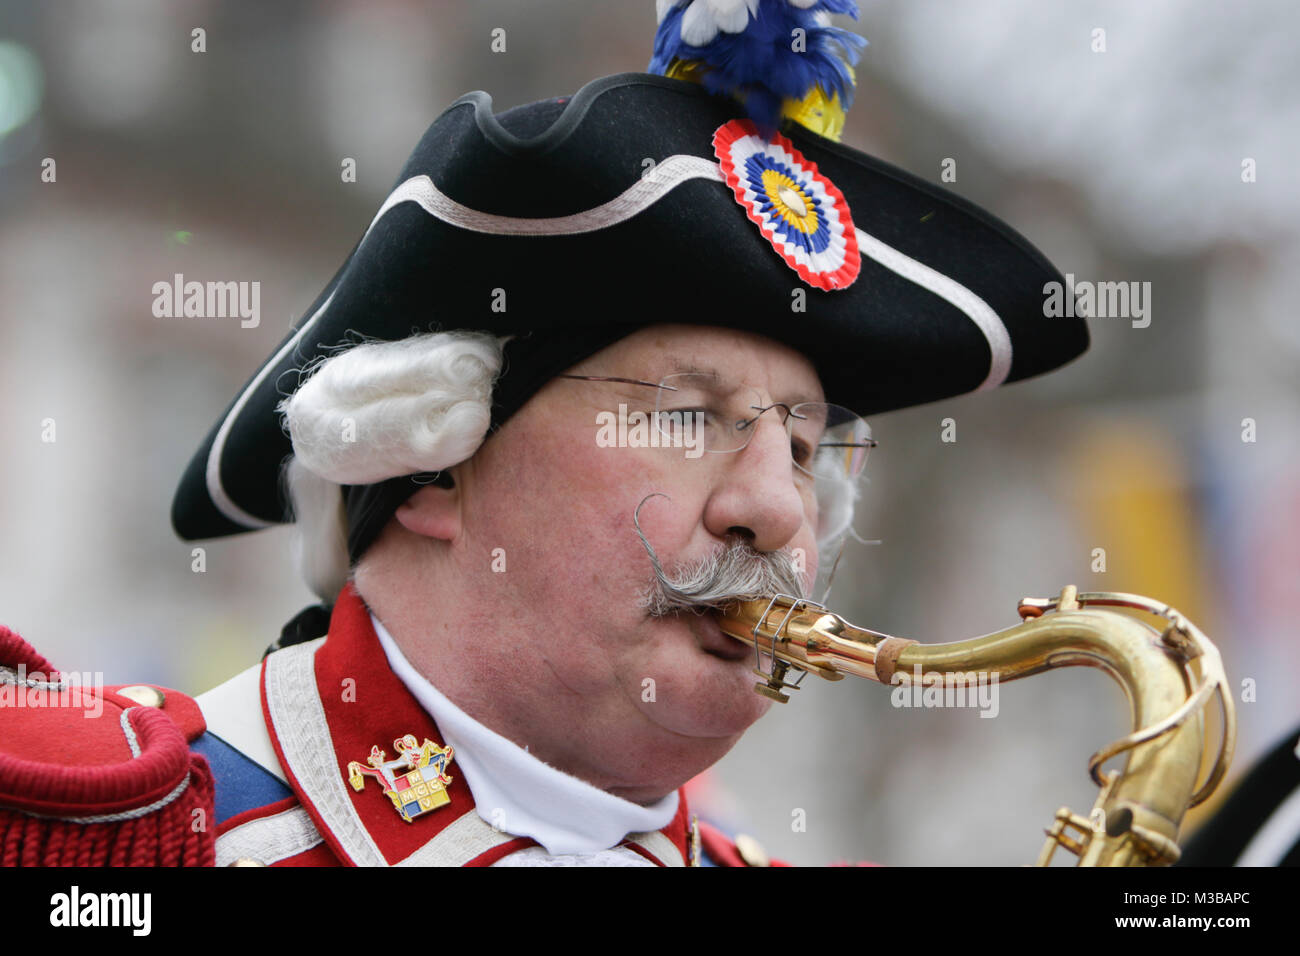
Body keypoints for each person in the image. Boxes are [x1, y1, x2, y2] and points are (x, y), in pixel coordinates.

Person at [0, 1, 1087, 867]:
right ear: (429, 467)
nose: (778, 506)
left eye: (802, 446)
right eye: (685, 413)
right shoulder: (113, 835)